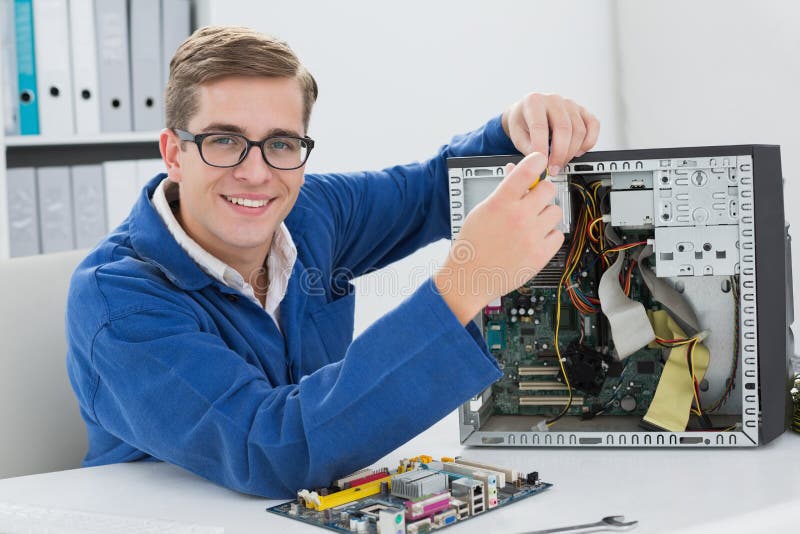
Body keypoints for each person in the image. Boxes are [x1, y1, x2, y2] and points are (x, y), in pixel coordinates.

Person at [66, 26, 599, 498]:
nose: (255, 173)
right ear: (173, 152)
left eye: (280, 143)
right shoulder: (117, 301)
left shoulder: (310, 214)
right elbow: (271, 449)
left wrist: (515, 127)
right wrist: (463, 284)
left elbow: (428, 193)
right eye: (224, 141)